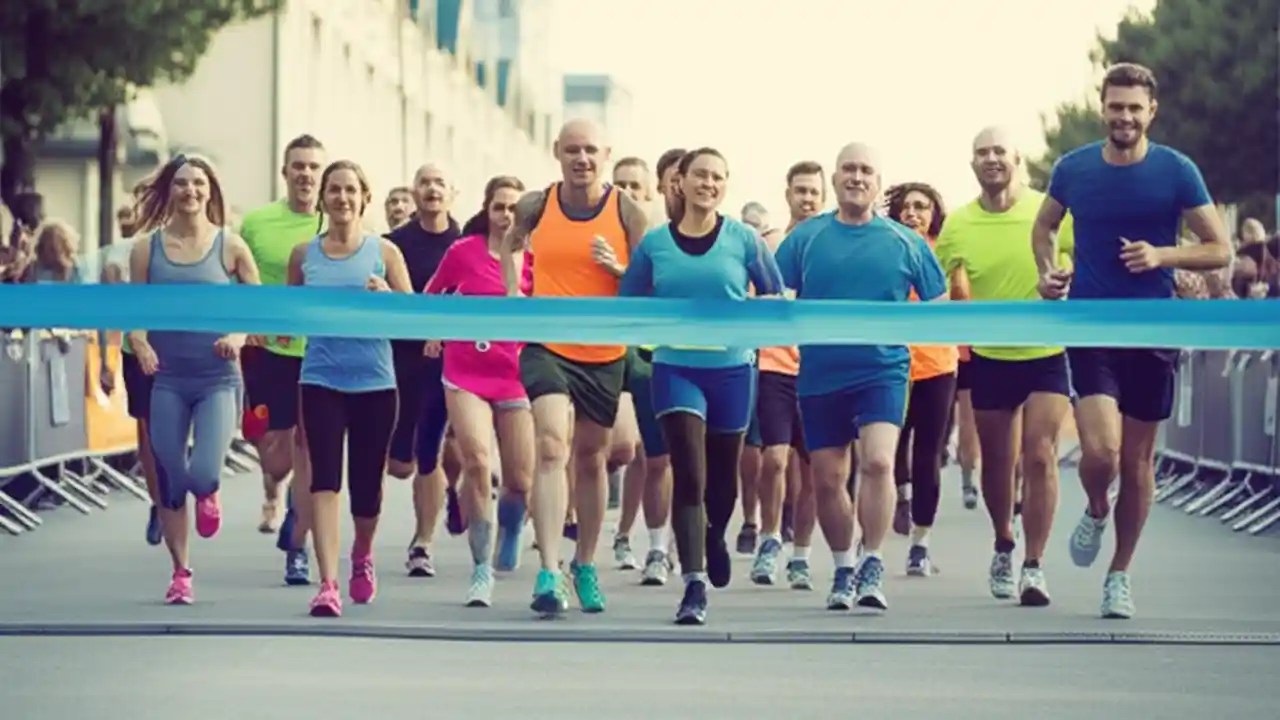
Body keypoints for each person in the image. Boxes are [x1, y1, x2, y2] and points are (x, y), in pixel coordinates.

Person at [1033, 63, 1231, 619]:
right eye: (1115, 106)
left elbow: (1218, 248)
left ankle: (1119, 573)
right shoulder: (1073, 169)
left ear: (1151, 112)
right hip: (1091, 326)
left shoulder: (1176, 170)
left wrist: (1162, 254)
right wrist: (1048, 270)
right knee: (1102, 451)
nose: (1124, 116)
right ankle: (1097, 506)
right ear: (1103, 108)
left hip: (1154, 328)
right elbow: (1045, 227)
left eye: (1134, 108)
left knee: (1139, 460)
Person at [775, 142, 947, 612]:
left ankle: (873, 559)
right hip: (820, 374)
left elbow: (938, 309)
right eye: (848, 169)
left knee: (878, 463)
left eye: (866, 170)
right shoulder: (806, 238)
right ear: (835, 179)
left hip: (883, 370)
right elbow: (774, 294)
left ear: (877, 181)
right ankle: (844, 566)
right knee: (829, 479)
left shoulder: (905, 241)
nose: (857, 177)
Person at [619, 147, 784, 625]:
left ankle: (714, 536)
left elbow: (772, 296)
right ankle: (693, 585)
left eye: (717, 177)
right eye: (699, 175)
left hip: (733, 369)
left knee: (722, 478)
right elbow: (630, 302)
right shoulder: (655, 244)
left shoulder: (744, 240)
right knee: (688, 472)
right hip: (676, 368)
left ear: (724, 186)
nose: (708, 184)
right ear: (681, 183)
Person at [499, 118, 649, 617]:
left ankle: (584, 563)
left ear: (606, 154)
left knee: (591, 458)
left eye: (590, 150)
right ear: (557, 153)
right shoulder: (536, 204)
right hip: (546, 344)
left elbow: (647, 280)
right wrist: (512, 291)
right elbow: (510, 243)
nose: (581, 159)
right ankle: (548, 569)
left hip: (604, 352)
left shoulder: (627, 209)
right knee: (549, 445)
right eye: (572, 150)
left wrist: (619, 271)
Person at [936, 126, 1075, 606]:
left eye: (1000, 151)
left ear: (1018, 158)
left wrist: (1068, 278)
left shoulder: (1050, 210)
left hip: (1046, 354)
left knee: (1039, 455)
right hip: (991, 357)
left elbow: (1078, 261)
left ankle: (1034, 565)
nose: (991, 159)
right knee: (999, 464)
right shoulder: (958, 223)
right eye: (982, 153)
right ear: (972, 164)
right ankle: (1003, 541)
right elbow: (935, 282)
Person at [126, 154, 261, 604]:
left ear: (210, 191)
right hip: (167, 378)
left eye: (199, 184)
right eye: (182, 183)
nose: (191, 191)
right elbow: (135, 312)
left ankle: (208, 491)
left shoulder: (231, 246)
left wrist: (238, 337)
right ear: (170, 191)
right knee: (168, 472)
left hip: (217, 378)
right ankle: (181, 571)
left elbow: (256, 311)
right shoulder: (147, 248)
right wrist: (140, 344)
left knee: (201, 472)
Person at [288, 160, 413, 617]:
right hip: (320, 377)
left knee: (366, 488)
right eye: (334, 190)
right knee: (324, 476)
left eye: (350, 190)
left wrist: (388, 300)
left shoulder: (385, 253)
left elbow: (413, 318)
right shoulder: (305, 255)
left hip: (375, 382)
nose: (342, 198)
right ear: (322, 199)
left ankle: (362, 552)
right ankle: (327, 584)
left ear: (365, 198)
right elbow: (288, 312)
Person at [424, 175, 535, 606]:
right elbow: (433, 295)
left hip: (516, 374)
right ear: (486, 212)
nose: (506, 215)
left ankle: (512, 524)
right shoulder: (463, 251)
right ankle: (480, 568)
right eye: (499, 207)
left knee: (522, 479)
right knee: (476, 461)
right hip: (465, 369)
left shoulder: (535, 259)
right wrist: (435, 331)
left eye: (514, 208)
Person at [239, 134, 325, 585]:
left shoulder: (339, 222)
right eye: (299, 166)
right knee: (277, 457)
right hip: (269, 350)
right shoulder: (257, 223)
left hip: (320, 354)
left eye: (314, 166)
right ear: (285, 172)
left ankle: (298, 542)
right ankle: (276, 486)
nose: (306, 174)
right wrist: (246, 320)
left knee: (310, 447)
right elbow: (234, 273)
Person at [384, 163, 464, 578]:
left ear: (454, 191)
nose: (432, 189)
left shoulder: (466, 242)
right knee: (401, 464)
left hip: (451, 360)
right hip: (401, 359)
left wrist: (446, 334)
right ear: (413, 193)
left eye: (440, 182)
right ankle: (455, 490)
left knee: (432, 450)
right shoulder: (391, 245)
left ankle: (422, 543)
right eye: (424, 183)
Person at [752, 160, 825, 590]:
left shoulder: (834, 245)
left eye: (814, 191)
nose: (807, 198)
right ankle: (769, 538)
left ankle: (802, 554)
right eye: (800, 190)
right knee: (774, 459)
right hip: (775, 365)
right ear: (788, 195)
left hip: (819, 367)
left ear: (824, 195)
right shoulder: (771, 244)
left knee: (815, 466)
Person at [884, 181, 959, 577]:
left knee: (928, 453)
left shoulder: (944, 252)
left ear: (934, 214)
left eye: (921, 207)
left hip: (937, 365)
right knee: (886, 450)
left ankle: (920, 544)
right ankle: (898, 499)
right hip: (891, 362)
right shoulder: (883, 249)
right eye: (906, 206)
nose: (913, 213)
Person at [99, 203, 164, 546]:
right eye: (123, 217)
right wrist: (103, 363)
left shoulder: (179, 243)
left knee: (175, 429)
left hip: (176, 348)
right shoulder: (116, 256)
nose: (128, 222)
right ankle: (158, 501)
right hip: (134, 349)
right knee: (148, 431)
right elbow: (104, 310)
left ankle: (180, 489)